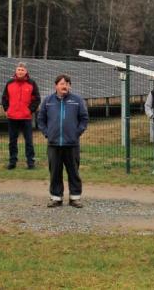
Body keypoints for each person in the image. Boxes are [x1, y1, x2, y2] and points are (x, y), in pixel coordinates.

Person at [38, 74, 89, 208]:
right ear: (56, 86)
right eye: (62, 83)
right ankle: (56, 198)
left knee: (73, 172)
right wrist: (47, 133)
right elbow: (41, 119)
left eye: (67, 83)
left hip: (72, 144)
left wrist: (76, 133)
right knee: (55, 172)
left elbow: (84, 119)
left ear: (69, 86)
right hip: (53, 144)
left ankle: (75, 198)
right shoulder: (48, 101)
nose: (64, 86)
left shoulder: (77, 100)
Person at [1, 62, 41, 169]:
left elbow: (37, 99)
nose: (20, 72)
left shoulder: (32, 84)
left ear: (26, 71)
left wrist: (30, 110)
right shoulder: (9, 83)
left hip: (26, 117)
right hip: (12, 117)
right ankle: (12, 162)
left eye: (22, 70)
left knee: (29, 141)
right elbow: (4, 98)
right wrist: (6, 109)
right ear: (16, 71)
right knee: (12, 141)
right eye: (19, 70)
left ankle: (30, 162)